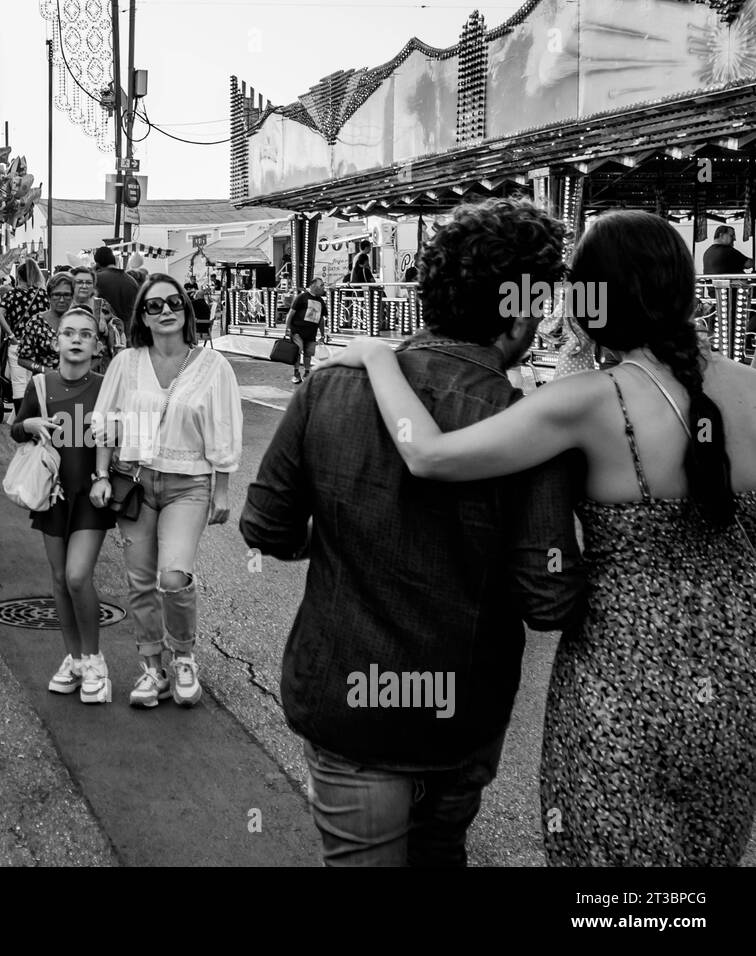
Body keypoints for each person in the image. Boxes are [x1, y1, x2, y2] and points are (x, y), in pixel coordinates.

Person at [321, 208, 756, 866]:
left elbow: (429, 455)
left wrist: (380, 359)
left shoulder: (585, 399)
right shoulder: (751, 388)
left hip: (622, 687)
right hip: (735, 684)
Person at [242, 198, 587, 866]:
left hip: (347, 702)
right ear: (517, 313)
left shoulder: (329, 389)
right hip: (462, 713)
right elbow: (548, 599)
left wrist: (335, 538)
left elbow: (265, 525)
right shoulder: (528, 425)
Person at [90, 274, 242, 708]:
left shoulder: (213, 366)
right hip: (136, 480)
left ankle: (184, 658)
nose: (165, 311)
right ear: (142, 316)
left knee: (173, 576)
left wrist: (223, 489)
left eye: (173, 302)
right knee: (139, 581)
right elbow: (105, 421)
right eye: (153, 306)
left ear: (186, 309)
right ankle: (151, 668)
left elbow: (225, 426)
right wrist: (101, 476)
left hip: (188, 484)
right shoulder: (127, 361)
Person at [15, 308, 114, 703]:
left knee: (76, 577)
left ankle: (95, 660)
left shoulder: (107, 386)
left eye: (85, 334)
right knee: (58, 581)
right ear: (56, 341)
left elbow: (128, 430)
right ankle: (73, 659)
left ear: (96, 345)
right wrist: (30, 425)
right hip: (52, 495)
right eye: (68, 333)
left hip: (91, 494)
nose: (76, 340)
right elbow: (16, 428)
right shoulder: (40, 385)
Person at [2, 258, 48, 408]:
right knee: (39, 384)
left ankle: (21, 424)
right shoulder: (42, 295)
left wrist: (10, 335)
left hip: (18, 344)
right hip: (39, 345)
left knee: (19, 386)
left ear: (19, 276)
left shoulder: (12, 294)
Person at [19, 272, 73, 383]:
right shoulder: (36, 322)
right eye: (57, 295)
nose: (62, 300)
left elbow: (96, 356)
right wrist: (46, 371)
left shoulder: (81, 321)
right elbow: (22, 359)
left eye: (66, 295)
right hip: (43, 385)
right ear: (49, 296)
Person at [285, 276, 327, 384]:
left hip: (311, 333)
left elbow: (321, 320)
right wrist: (288, 329)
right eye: (321, 285)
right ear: (313, 286)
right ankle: (296, 372)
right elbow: (291, 314)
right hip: (297, 331)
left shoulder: (321, 301)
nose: (323, 288)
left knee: (308, 354)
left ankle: (307, 372)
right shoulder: (301, 297)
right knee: (297, 351)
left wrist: (322, 334)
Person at [92, 246, 140, 328]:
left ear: (98, 264)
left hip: (106, 332)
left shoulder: (97, 279)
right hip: (128, 332)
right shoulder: (132, 281)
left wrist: (92, 273)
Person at [185, 280, 213, 348]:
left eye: (195, 295)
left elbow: (186, 306)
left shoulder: (194, 303)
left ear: (197, 296)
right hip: (205, 329)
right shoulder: (206, 305)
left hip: (198, 329)